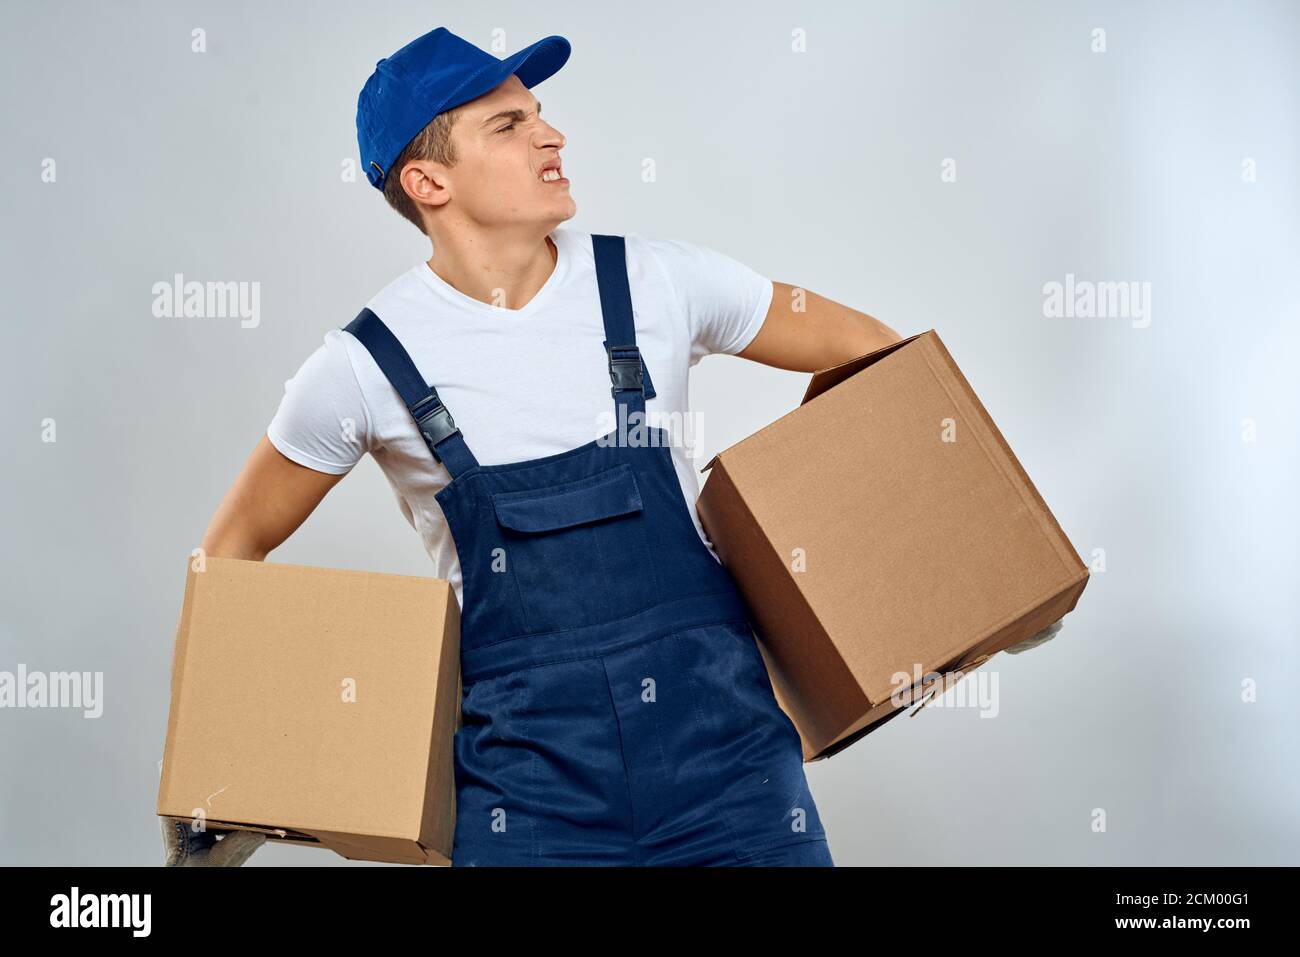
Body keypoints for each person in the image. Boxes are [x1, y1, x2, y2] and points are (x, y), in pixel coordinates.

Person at [162, 25, 1045, 868]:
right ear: (428, 182)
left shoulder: (658, 279)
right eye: (509, 124)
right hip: (526, 798)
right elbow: (232, 551)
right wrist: (233, 776)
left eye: (539, 113)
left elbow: (874, 351)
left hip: (734, 775)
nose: (553, 135)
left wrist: (959, 572)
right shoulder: (362, 366)